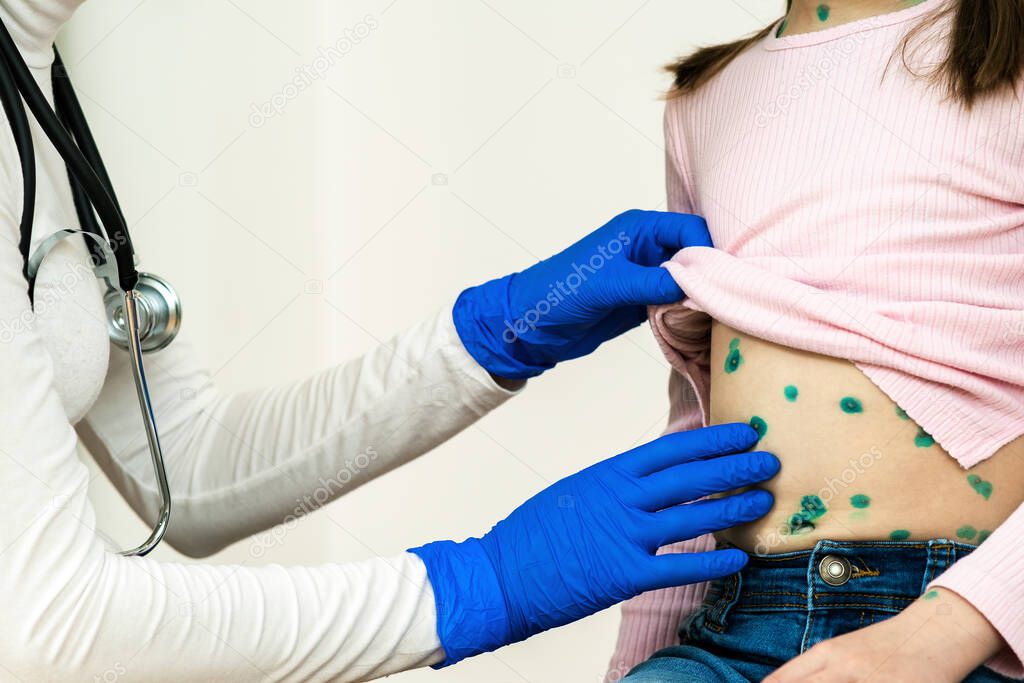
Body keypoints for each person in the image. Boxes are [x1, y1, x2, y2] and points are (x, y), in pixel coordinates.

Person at [0, 1, 783, 680]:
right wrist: (482, 584)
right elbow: (50, 628)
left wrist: (491, 338)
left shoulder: (28, 67)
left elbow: (188, 466)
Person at [606, 0, 1024, 681]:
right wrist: (637, 663)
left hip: (967, 630)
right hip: (735, 617)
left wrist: (950, 628)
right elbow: (698, 425)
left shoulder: (1005, 54)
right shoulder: (706, 98)